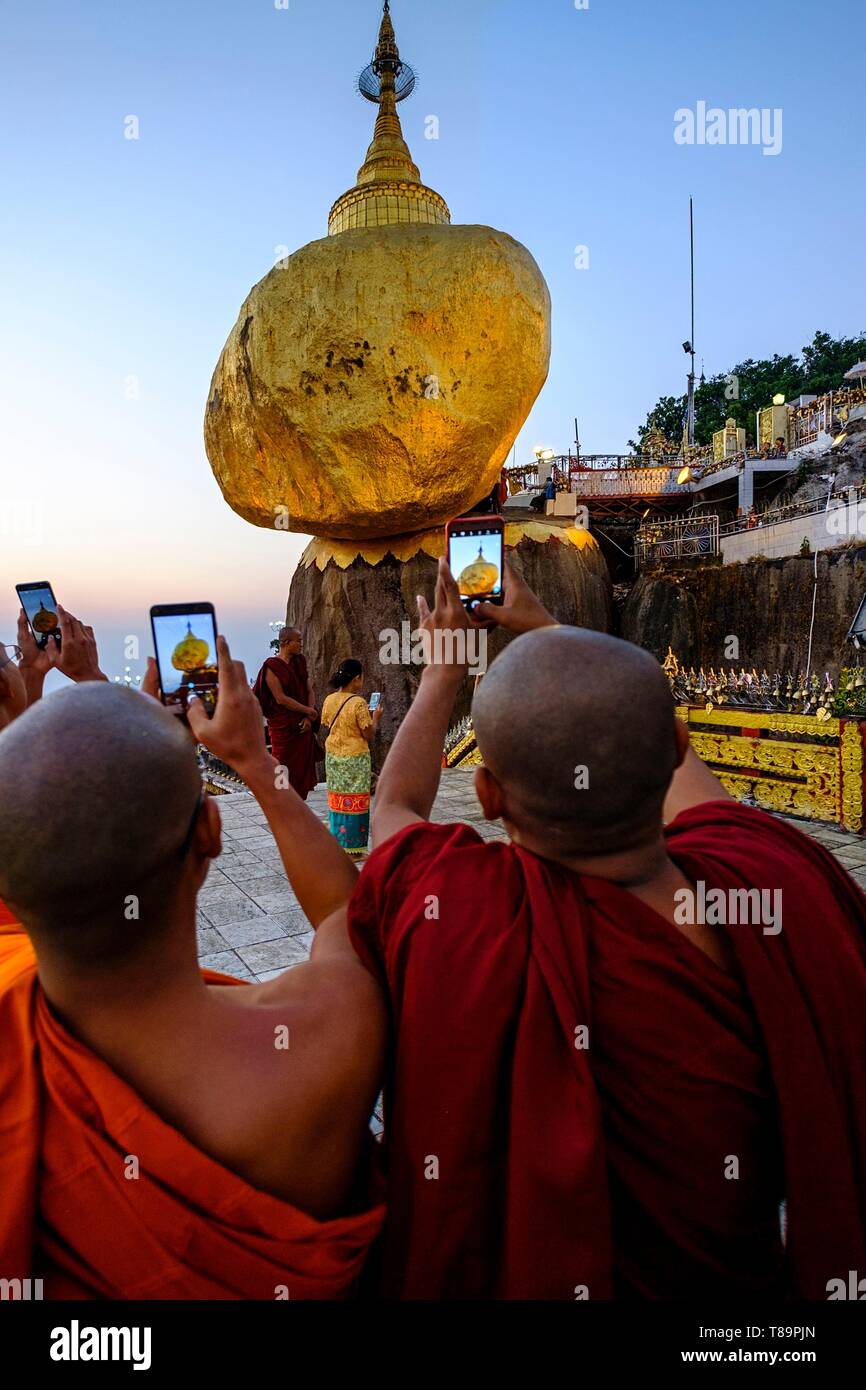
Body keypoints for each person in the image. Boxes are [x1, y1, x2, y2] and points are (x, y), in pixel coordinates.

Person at [343, 557, 866, 1299]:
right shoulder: (770, 878)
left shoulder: (462, 909)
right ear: (679, 745)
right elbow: (700, 795)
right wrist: (547, 626)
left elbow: (390, 812)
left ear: (486, 795)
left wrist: (440, 677)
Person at [0, 637, 387, 1298]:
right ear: (210, 833)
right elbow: (348, 921)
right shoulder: (325, 1035)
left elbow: (34, 807)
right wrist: (256, 765)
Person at [321, 660, 383, 860]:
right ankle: (354, 850)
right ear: (357, 678)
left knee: (338, 800)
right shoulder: (358, 703)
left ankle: (339, 843)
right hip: (355, 758)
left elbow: (326, 723)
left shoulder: (329, 700)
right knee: (356, 802)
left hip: (333, 757)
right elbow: (368, 733)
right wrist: (377, 717)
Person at [253, 626, 319, 800]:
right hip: (283, 727)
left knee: (300, 769)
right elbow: (280, 698)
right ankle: (281, 799)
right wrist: (308, 711)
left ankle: (299, 800)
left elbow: (309, 690)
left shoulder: (300, 661)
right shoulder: (272, 667)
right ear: (286, 643)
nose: (301, 644)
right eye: (298, 640)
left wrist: (308, 717)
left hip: (302, 725)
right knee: (281, 763)